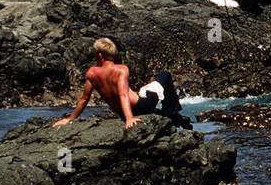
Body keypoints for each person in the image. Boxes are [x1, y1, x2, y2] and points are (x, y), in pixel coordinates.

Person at [53, 38, 191, 130]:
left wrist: (71, 118)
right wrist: (130, 118)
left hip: (123, 112)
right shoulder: (121, 69)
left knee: (153, 101)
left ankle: (176, 118)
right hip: (142, 105)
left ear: (100, 55)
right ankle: (173, 114)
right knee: (165, 75)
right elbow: (123, 94)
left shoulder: (92, 73)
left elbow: (84, 99)